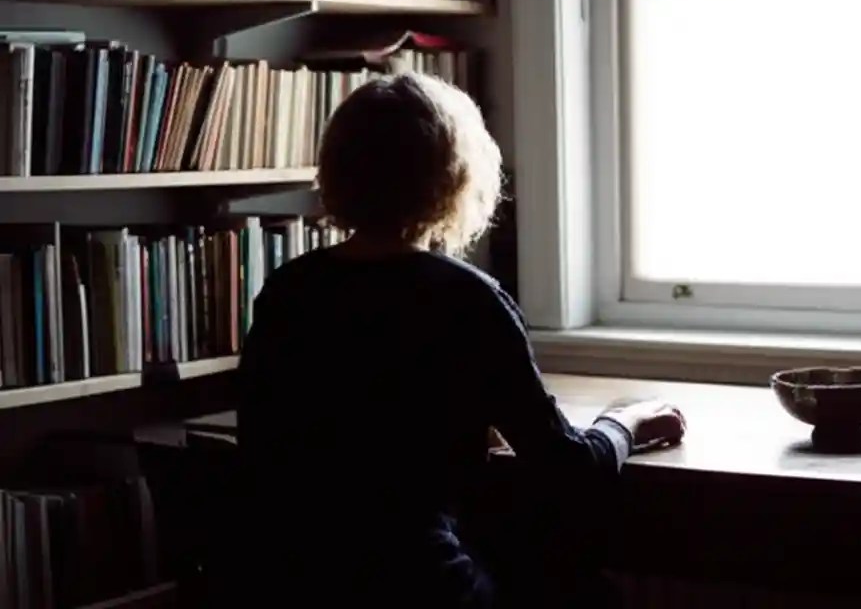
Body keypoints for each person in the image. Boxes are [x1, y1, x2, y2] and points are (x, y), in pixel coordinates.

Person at [228, 73, 686, 607]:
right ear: (452, 179)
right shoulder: (466, 298)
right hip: (421, 585)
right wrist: (628, 420)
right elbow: (567, 470)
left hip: (293, 580)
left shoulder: (288, 290)